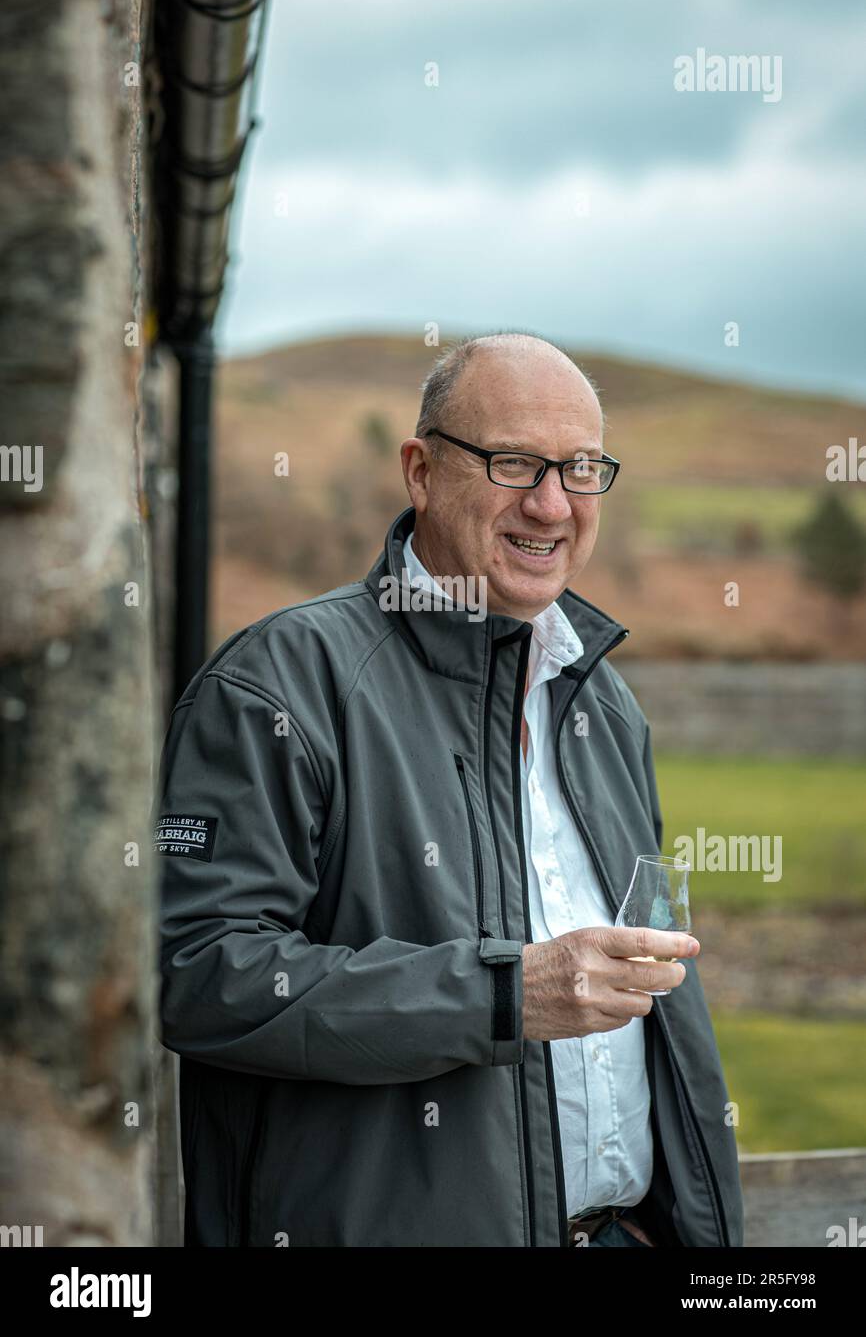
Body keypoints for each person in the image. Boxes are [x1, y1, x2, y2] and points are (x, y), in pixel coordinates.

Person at [155, 332, 744, 1248]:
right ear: (421, 471)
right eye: (514, 463)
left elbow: (659, 993)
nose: (551, 505)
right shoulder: (279, 684)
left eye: (581, 468)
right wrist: (504, 995)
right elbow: (197, 975)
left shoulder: (603, 702)